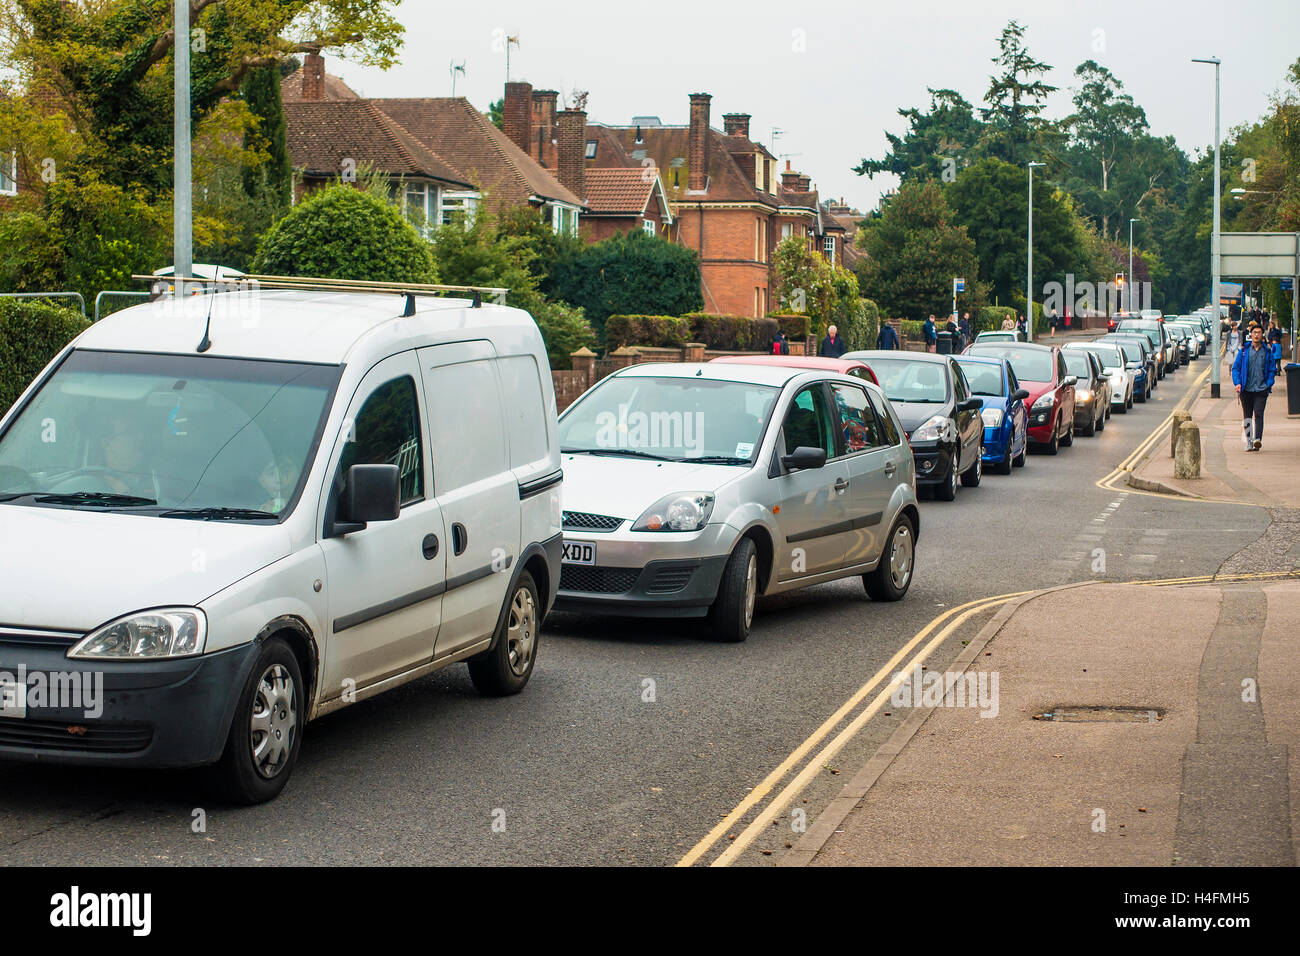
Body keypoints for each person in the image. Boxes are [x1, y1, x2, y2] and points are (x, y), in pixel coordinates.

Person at [1231, 323, 1276, 451]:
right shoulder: (1244, 351)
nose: (1256, 335)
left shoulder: (1267, 352)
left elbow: (1272, 369)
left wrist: (1269, 383)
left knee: (1259, 413)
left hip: (1261, 389)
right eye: (1254, 332)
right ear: (1251, 335)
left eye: (1259, 333)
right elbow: (1236, 369)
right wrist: (1238, 383)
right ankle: (1249, 441)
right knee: (1247, 416)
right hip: (1246, 389)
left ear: (1262, 335)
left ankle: (1257, 440)